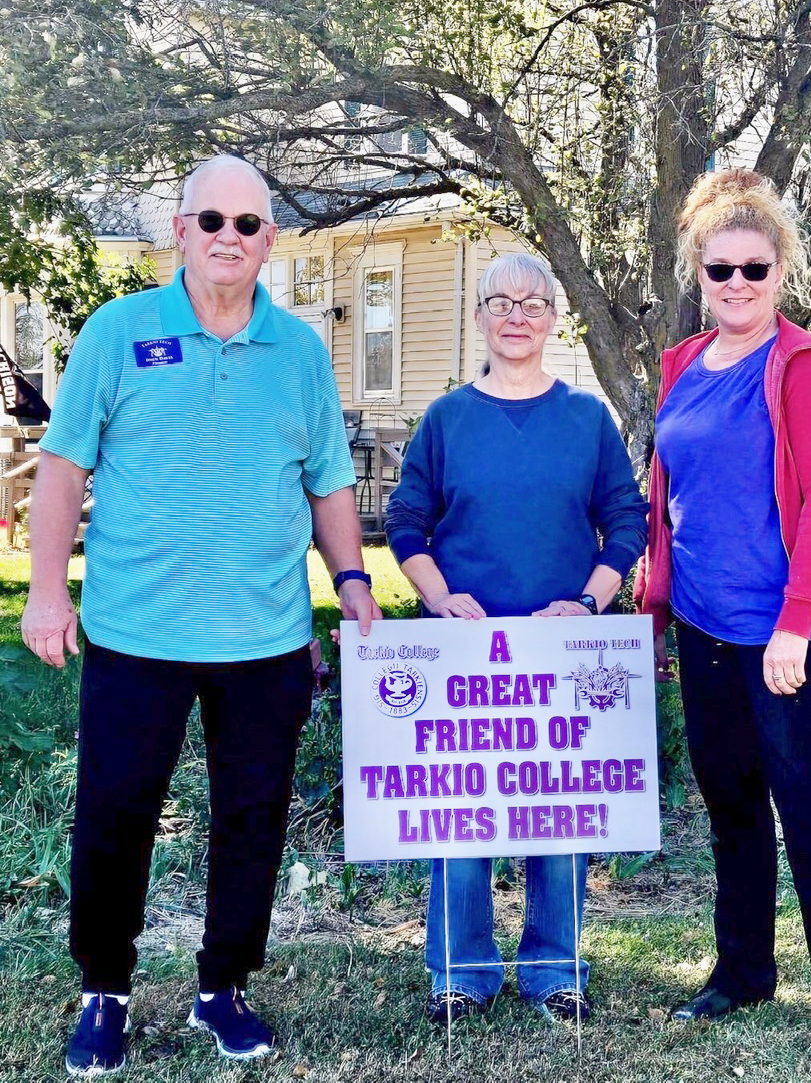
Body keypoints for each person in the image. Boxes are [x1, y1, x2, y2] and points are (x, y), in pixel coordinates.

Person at [20, 155, 379, 1075]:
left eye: (249, 224)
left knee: (252, 818)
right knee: (114, 815)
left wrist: (350, 582)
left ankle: (223, 990)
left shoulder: (297, 352)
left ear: (269, 241)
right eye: (210, 219)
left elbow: (329, 479)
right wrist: (50, 590)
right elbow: (62, 468)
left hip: (263, 638)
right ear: (178, 230)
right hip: (138, 632)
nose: (229, 236)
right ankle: (105, 991)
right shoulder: (118, 331)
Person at [635, 169, 811, 1060]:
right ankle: (741, 973)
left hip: (788, 632)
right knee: (731, 803)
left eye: (754, 268)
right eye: (719, 270)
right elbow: (676, 493)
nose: (736, 284)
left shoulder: (807, 368)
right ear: (697, 275)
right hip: (704, 625)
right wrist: (657, 593)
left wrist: (795, 621)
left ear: (782, 271)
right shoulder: (683, 368)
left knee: (807, 803)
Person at [385, 252, 647, 1026]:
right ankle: (461, 976)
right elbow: (406, 520)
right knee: (461, 821)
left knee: (559, 821)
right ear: (478, 318)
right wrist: (440, 597)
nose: (517, 315)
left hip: (559, 655)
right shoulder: (446, 419)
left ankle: (554, 970)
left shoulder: (586, 418)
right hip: (468, 656)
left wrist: (590, 603)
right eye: (500, 301)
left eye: (534, 303)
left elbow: (625, 520)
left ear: (555, 319)